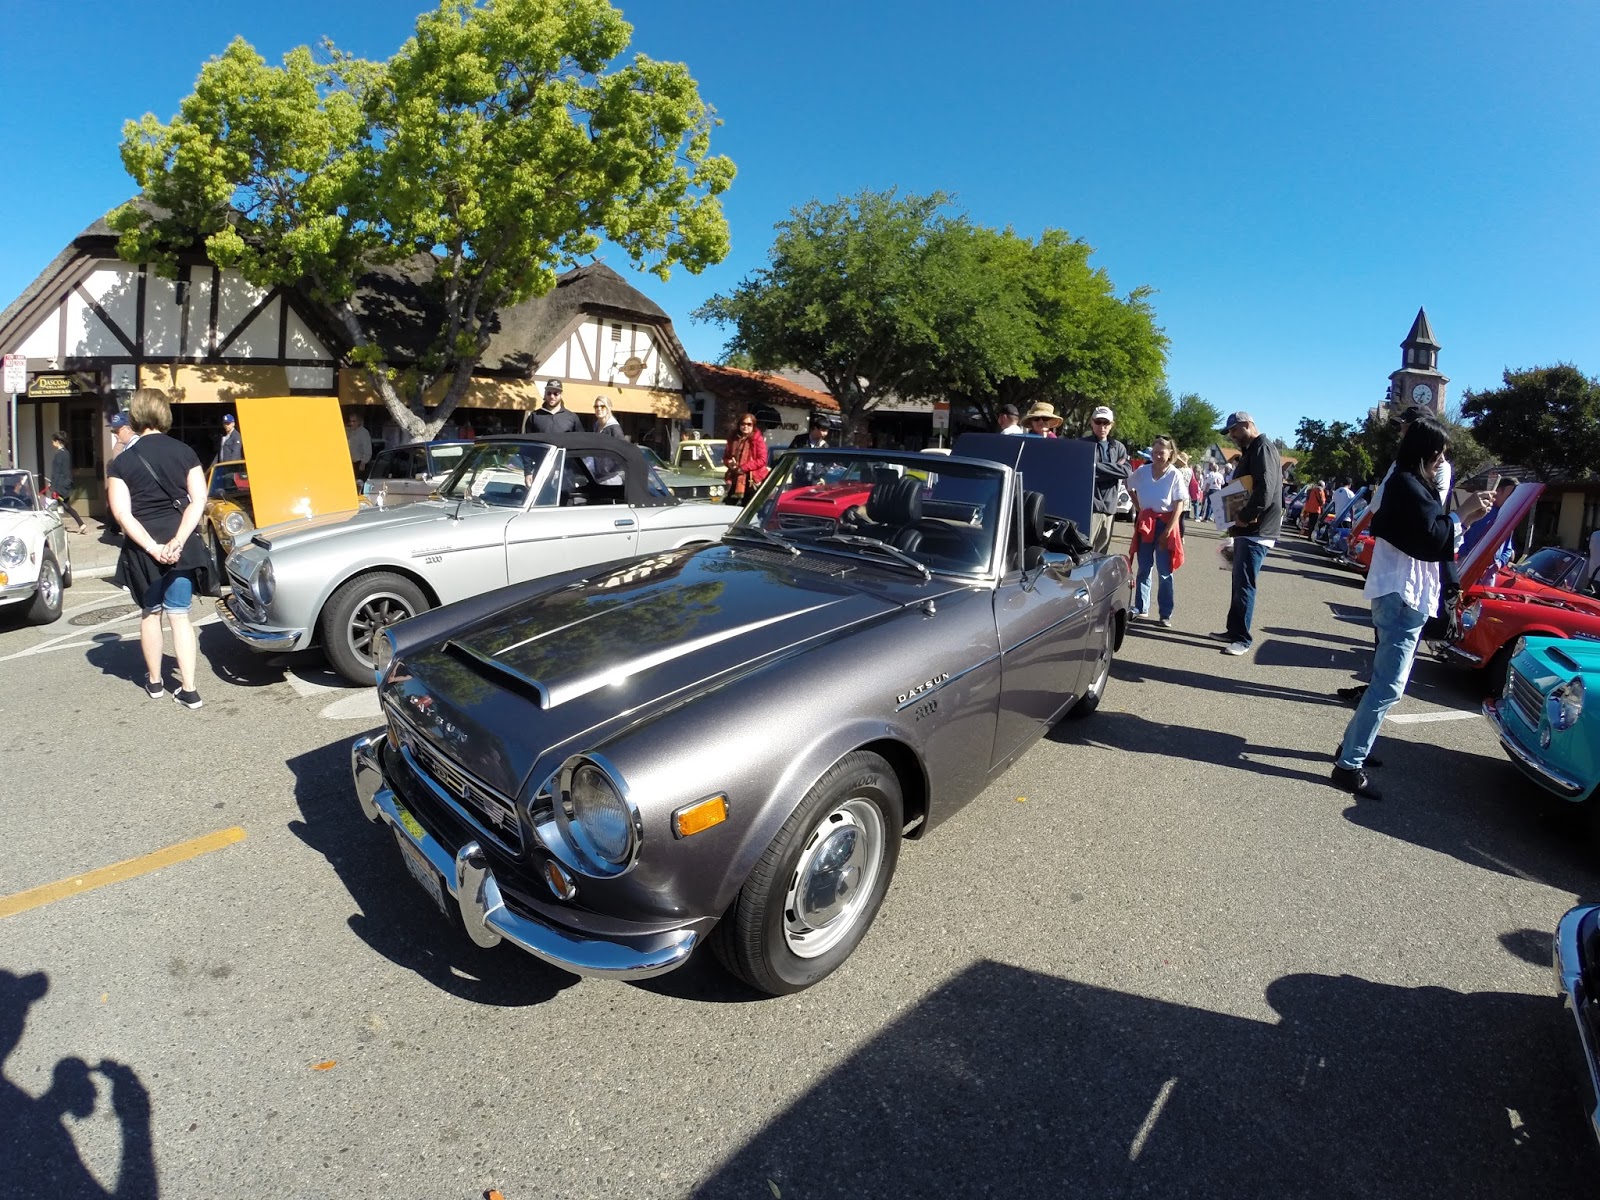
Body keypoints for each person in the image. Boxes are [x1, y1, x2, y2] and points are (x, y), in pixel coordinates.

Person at [1332, 417, 1491, 799]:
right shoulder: (1407, 485)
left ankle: (1353, 750)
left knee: (1386, 683)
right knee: (1388, 686)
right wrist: (1463, 514)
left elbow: (1432, 537)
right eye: (1439, 454)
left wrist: (1458, 517)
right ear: (1428, 452)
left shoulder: (1404, 483)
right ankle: (1348, 763)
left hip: (1400, 593)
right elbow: (1430, 539)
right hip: (1403, 595)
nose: (1441, 461)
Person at [106, 388, 211, 709]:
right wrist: (177, 541)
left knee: (150, 615)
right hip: (181, 549)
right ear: (164, 413)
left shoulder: (121, 462)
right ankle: (190, 689)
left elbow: (122, 514)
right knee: (180, 616)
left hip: (143, 553)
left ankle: (154, 682)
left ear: (135, 417)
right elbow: (199, 501)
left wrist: (153, 548)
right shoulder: (186, 453)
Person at [1211, 412, 1282, 656]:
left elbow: (1266, 489)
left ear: (1248, 425)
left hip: (1256, 530)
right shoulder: (1254, 449)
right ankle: (1234, 630)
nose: (1232, 436)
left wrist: (1244, 516)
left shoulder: (1263, 448)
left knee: (1245, 584)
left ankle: (1242, 639)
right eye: (1230, 432)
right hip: (1247, 529)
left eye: (1234, 430)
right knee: (1238, 581)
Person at [1127, 435, 1186, 625]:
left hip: (1164, 524)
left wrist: (1168, 531)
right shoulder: (1143, 471)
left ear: (1170, 454)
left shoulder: (1174, 474)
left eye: (1162, 453)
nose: (1157, 456)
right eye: (1154, 452)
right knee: (1144, 567)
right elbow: (1129, 486)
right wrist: (1139, 508)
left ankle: (1165, 613)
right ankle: (1140, 607)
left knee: (1164, 571)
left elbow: (1179, 505)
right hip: (1146, 523)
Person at [1082, 405, 1129, 554]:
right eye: (1098, 422)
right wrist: (1113, 469)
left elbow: (1126, 470)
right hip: (1089, 507)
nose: (1102, 426)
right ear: (1091, 422)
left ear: (1111, 425)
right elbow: (1083, 471)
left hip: (1110, 507)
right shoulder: (1082, 445)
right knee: (1084, 550)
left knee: (1101, 553)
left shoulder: (1118, 447)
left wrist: (1097, 467)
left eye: (1106, 423)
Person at [1458, 477, 1518, 565]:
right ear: (1498, 491)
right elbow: (1463, 532)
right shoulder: (1479, 509)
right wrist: (1464, 556)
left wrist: (1499, 563)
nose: (1512, 499)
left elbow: (1508, 549)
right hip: (1467, 562)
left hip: (1490, 570)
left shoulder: (1507, 518)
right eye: (1510, 495)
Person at [44, 432, 87, 533]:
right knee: (64, 506)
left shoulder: (59, 454)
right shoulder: (66, 453)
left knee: (55, 506)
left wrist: (53, 485)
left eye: (53, 440)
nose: (52, 442)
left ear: (58, 441)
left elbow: (57, 472)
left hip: (60, 485)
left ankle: (58, 526)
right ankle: (80, 524)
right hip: (65, 484)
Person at [723, 413, 769, 506]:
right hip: (734, 477)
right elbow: (726, 457)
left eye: (749, 424)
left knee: (748, 507)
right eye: (743, 424)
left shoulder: (757, 439)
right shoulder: (733, 439)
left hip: (752, 480)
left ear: (753, 426)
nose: (745, 426)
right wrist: (729, 463)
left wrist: (743, 468)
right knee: (729, 506)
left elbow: (762, 460)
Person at [346, 411, 373, 477]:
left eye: (354, 421)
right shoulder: (350, 432)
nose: (351, 423)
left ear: (358, 422)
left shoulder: (363, 432)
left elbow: (367, 449)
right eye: (350, 421)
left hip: (359, 463)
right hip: (350, 462)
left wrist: (363, 462)